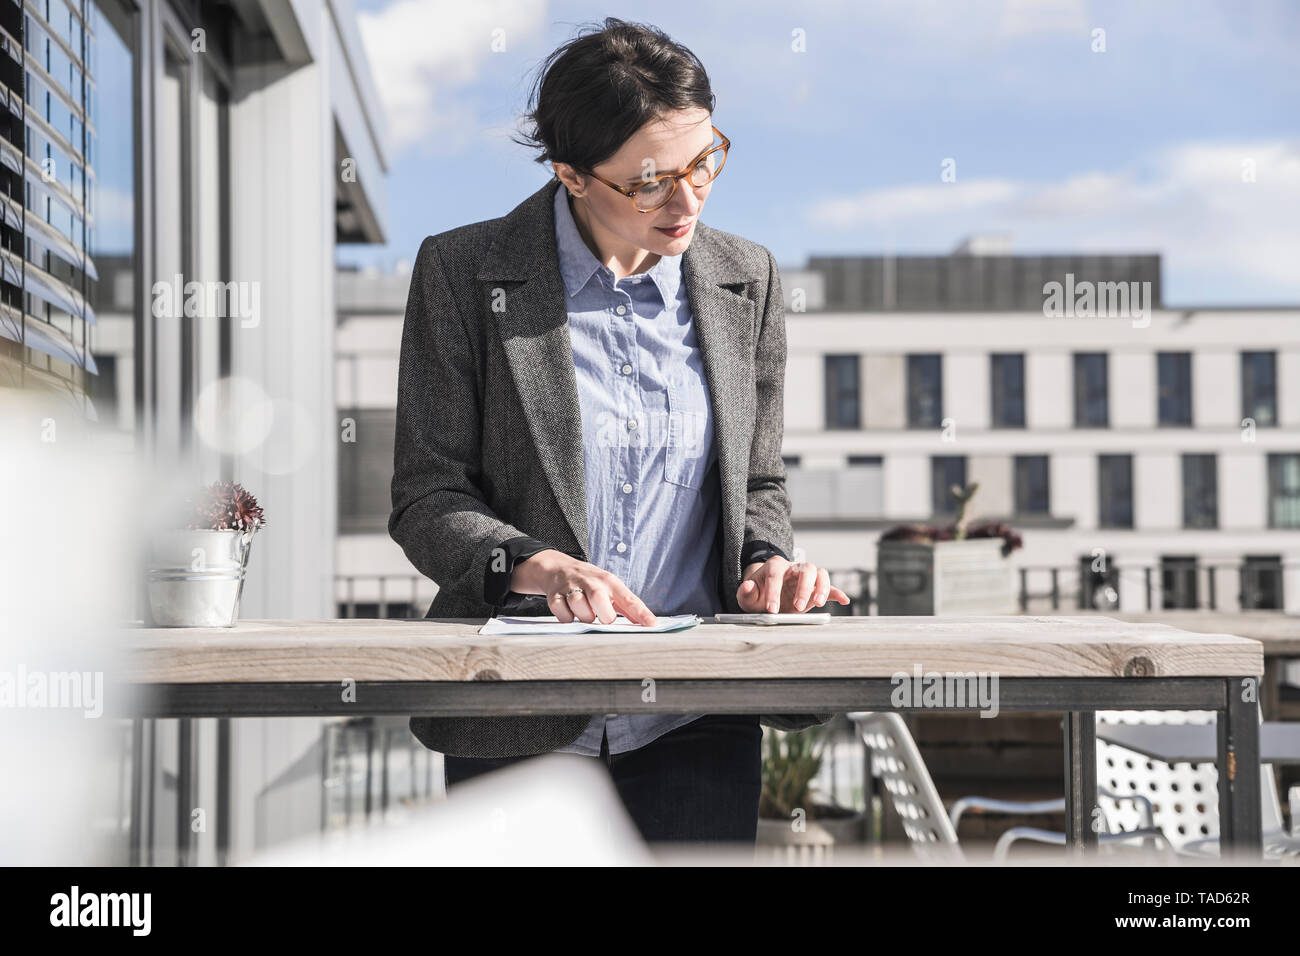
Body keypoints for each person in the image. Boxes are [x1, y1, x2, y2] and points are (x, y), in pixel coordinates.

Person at [388, 16, 848, 846]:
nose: (689, 200)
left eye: (704, 162)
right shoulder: (462, 274)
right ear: (570, 174)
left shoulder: (748, 278)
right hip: (520, 708)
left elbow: (758, 485)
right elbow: (428, 495)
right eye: (650, 182)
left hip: (696, 711)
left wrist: (766, 563)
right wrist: (531, 563)